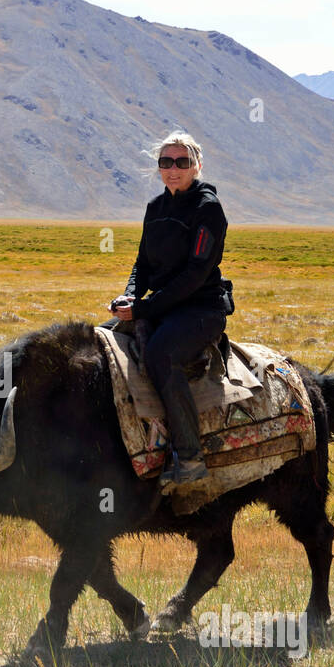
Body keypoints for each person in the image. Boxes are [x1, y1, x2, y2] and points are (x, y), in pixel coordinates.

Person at [110, 131, 234, 492]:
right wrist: (128, 297)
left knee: (162, 353)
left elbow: (195, 275)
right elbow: (142, 264)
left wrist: (145, 307)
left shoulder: (207, 208)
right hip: (162, 306)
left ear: (197, 165)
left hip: (200, 309)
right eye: (166, 162)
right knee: (104, 340)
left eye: (182, 162)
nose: (173, 169)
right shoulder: (155, 208)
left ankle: (190, 456)